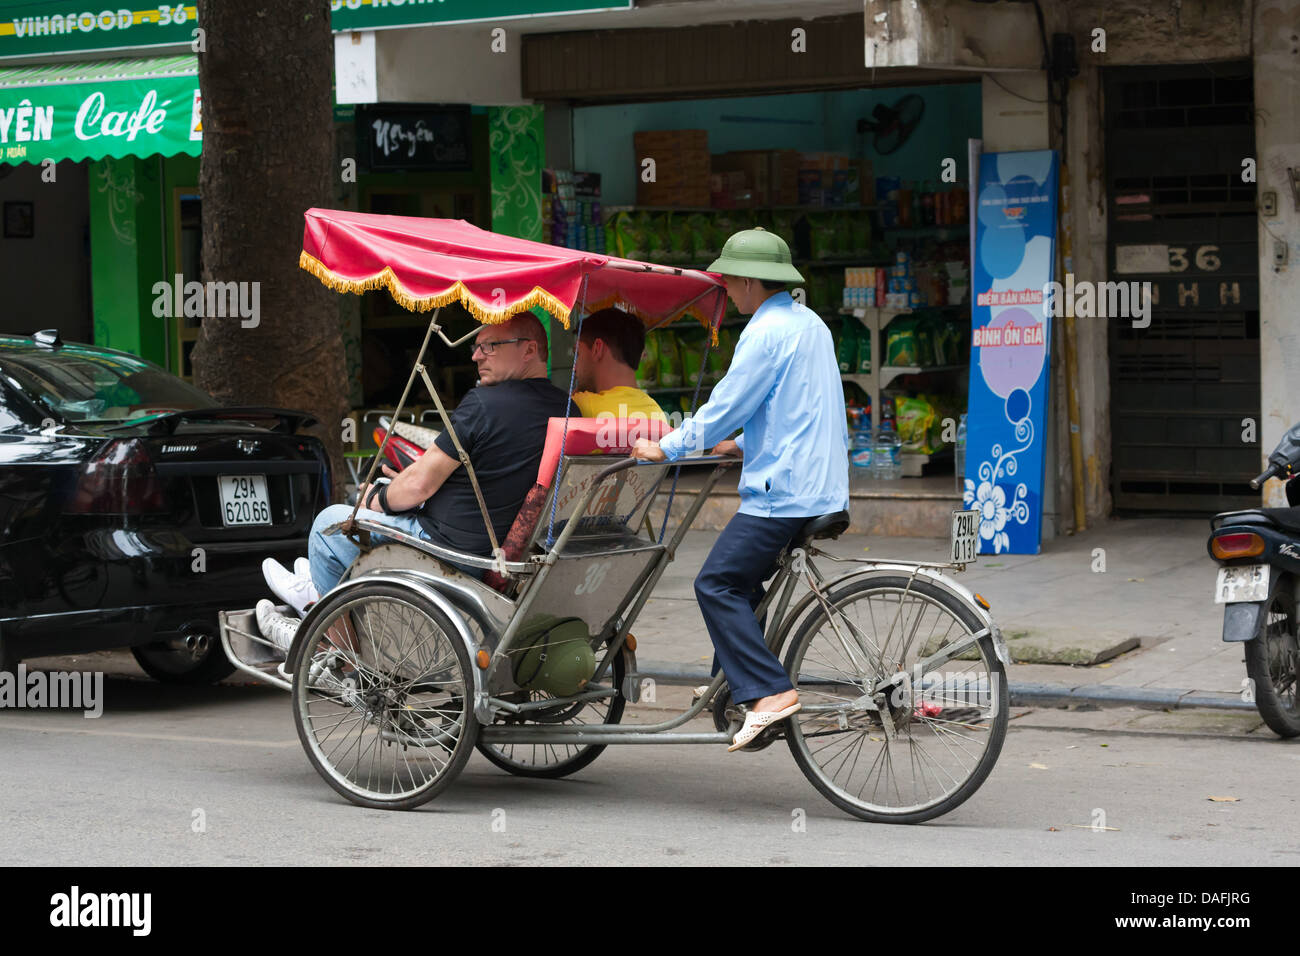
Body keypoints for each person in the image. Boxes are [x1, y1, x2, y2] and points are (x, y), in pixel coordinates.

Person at [632, 227, 849, 752]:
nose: (727, 291)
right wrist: (745, 447)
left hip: (786, 494)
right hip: (821, 485)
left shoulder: (765, 331)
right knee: (743, 588)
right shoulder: (810, 323)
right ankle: (734, 698)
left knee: (716, 584)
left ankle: (768, 693)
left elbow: (729, 403)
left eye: (730, 281)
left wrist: (670, 447)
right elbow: (800, 410)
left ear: (750, 281)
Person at [257, 312, 578, 646]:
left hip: (451, 553)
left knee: (328, 524)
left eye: (490, 346)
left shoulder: (484, 404)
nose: (475, 356)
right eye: (477, 347)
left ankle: (339, 654)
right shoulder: (568, 408)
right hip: (504, 551)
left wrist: (375, 500)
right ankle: (312, 597)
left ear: (529, 350)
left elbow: (418, 485)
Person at [570, 306, 667, 423]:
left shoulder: (580, 407)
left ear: (597, 349)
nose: (574, 368)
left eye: (578, 354)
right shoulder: (657, 412)